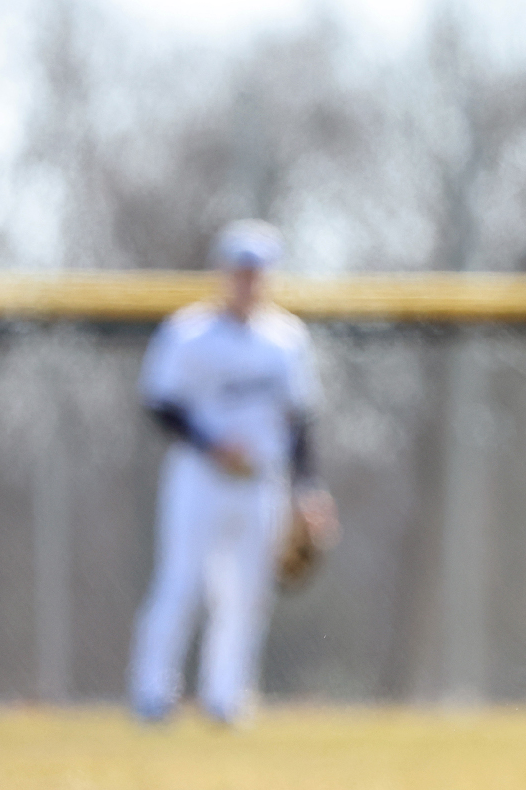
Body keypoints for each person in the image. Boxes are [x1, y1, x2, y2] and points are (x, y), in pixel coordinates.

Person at [127, 220, 335, 724]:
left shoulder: (286, 338)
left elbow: (300, 419)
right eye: (241, 271)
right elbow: (158, 402)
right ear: (224, 274)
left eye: (257, 272)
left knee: (247, 593)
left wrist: (309, 489)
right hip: (200, 476)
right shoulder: (189, 332)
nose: (249, 282)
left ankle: (226, 698)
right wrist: (210, 444)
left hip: (262, 479)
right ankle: (153, 695)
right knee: (181, 584)